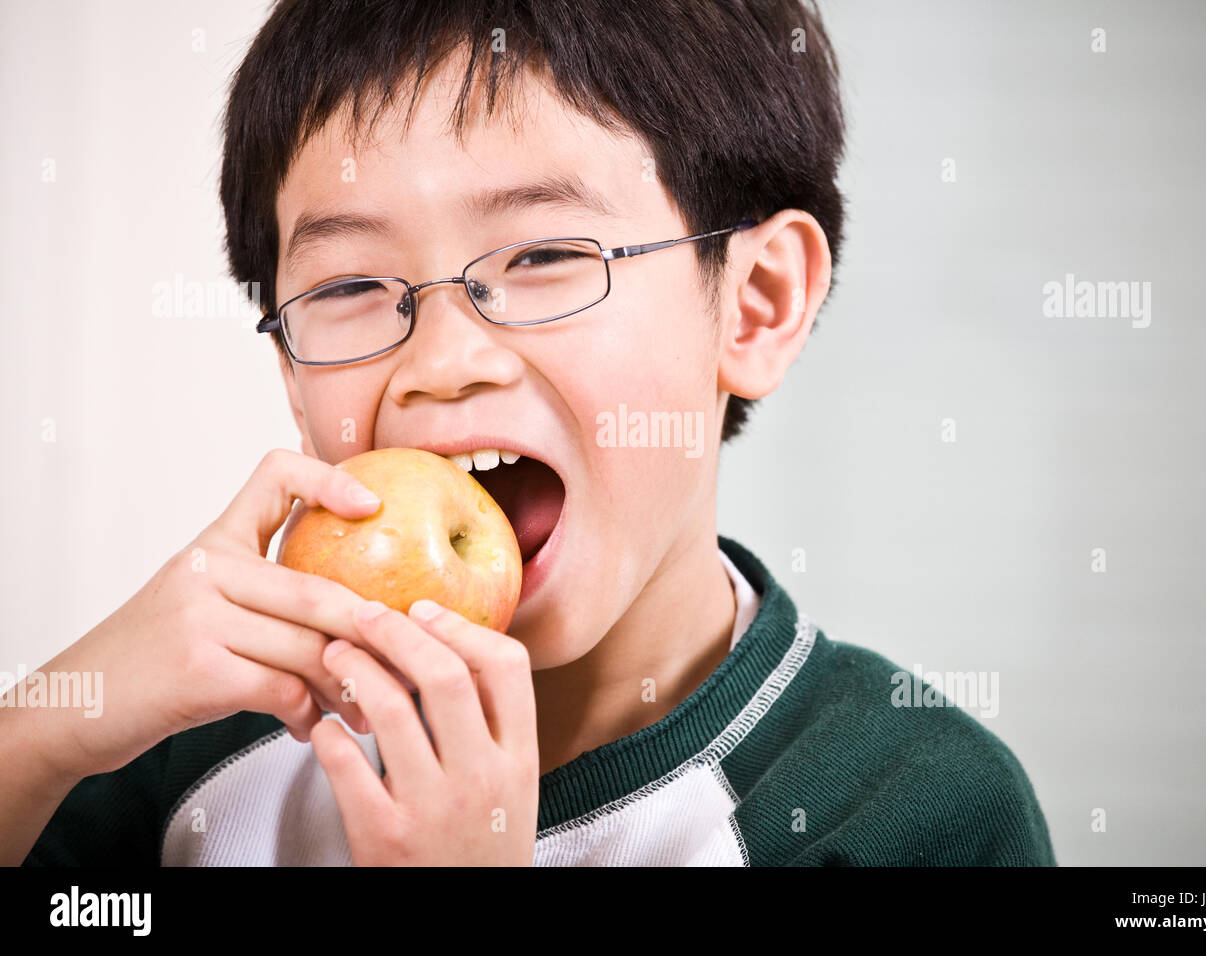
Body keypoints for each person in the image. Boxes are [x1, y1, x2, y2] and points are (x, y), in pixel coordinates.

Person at [5, 0, 1055, 866]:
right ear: (288, 364)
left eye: (545, 256)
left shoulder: (908, 810)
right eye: (354, 285)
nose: (443, 360)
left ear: (755, 303)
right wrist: (40, 728)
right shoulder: (188, 755)